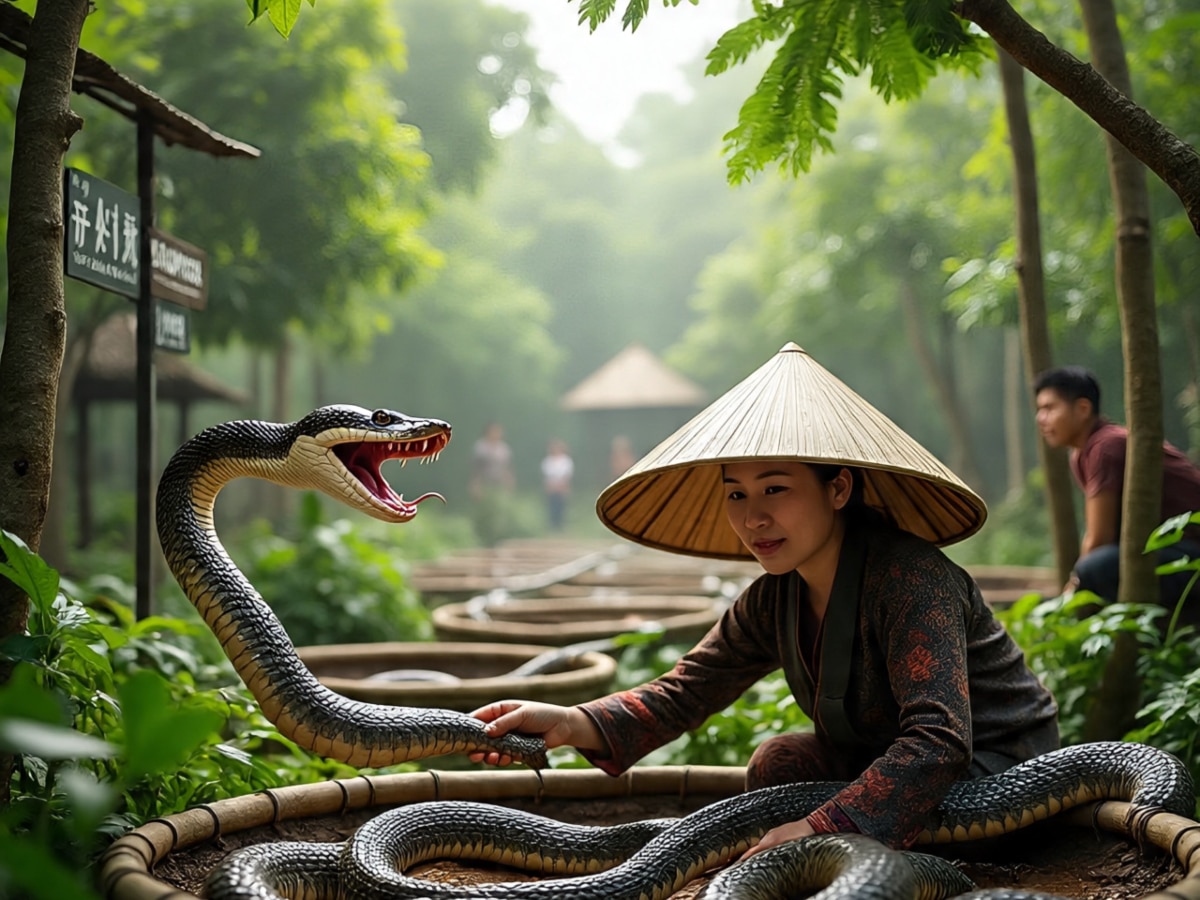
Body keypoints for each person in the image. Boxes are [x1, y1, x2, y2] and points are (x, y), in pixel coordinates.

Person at [471, 342, 1059, 854]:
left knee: (847, 819)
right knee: (779, 761)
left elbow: (939, 742)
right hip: (888, 764)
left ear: (838, 488)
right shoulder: (771, 600)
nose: (753, 517)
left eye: (775, 488)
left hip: (996, 776)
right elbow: (686, 691)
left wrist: (820, 825)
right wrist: (571, 723)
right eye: (736, 494)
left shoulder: (911, 579)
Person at [1033, 365, 1200, 615]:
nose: (1041, 419)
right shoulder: (1082, 454)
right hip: (1167, 551)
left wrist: (1072, 589)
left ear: (1083, 409)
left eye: (1049, 408)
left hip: (1191, 553)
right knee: (1095, 567)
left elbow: (1100, 536)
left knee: (1093, 568)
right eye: (1039, 410)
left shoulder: (1106, 447)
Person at [470, 422, 515, 546]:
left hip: (498, 483)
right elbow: (476, 469)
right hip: (485, 483)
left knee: (499, 511)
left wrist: (509, 481)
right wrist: (476, 485)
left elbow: (507, 467)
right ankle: (483, 538)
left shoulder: (503, 449)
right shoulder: (481, 447)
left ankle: (498, 539)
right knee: (485, 511)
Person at [541, 438, 574, 532]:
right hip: (552, 487)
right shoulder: (547, 461)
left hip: (562, 487)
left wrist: (563, 486)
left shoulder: (565, 460)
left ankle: (561, 525)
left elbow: (567, 476)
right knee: (552, 506)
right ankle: (552, 525)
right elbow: (547, 476)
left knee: (562, 506)